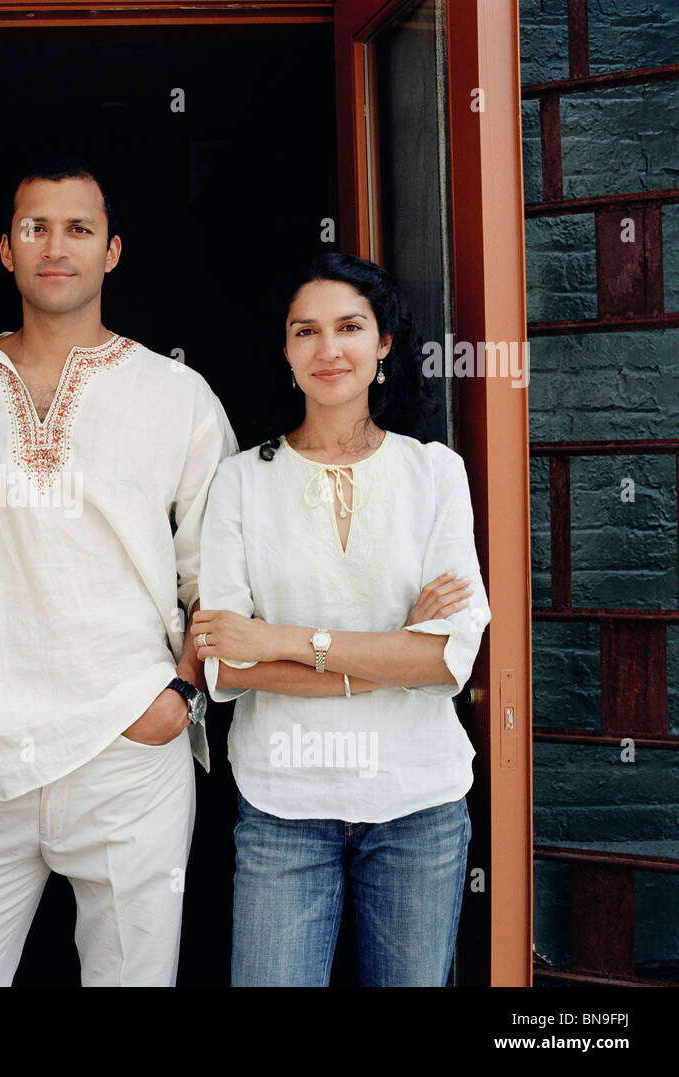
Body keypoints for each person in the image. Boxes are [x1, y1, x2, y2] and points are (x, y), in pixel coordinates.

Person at [0, 156, 237, 986]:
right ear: (6, 250)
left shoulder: (176, 392)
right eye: (34, 227)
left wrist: (181, 696)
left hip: (128, 749)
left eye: (78, 228)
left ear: (112, 251)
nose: (57, 245)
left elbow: (221, 567)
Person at [193, 252, 490, 986]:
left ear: (384, 341)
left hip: (418, 800)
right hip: (283, 802)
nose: (329, 349)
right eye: (306, 331)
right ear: (286, 349)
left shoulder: (434, 472)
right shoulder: (240, 481)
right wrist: (390, 651)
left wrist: (284, 641)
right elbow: (227, 663)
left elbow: (446, 660)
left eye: (350, 326)